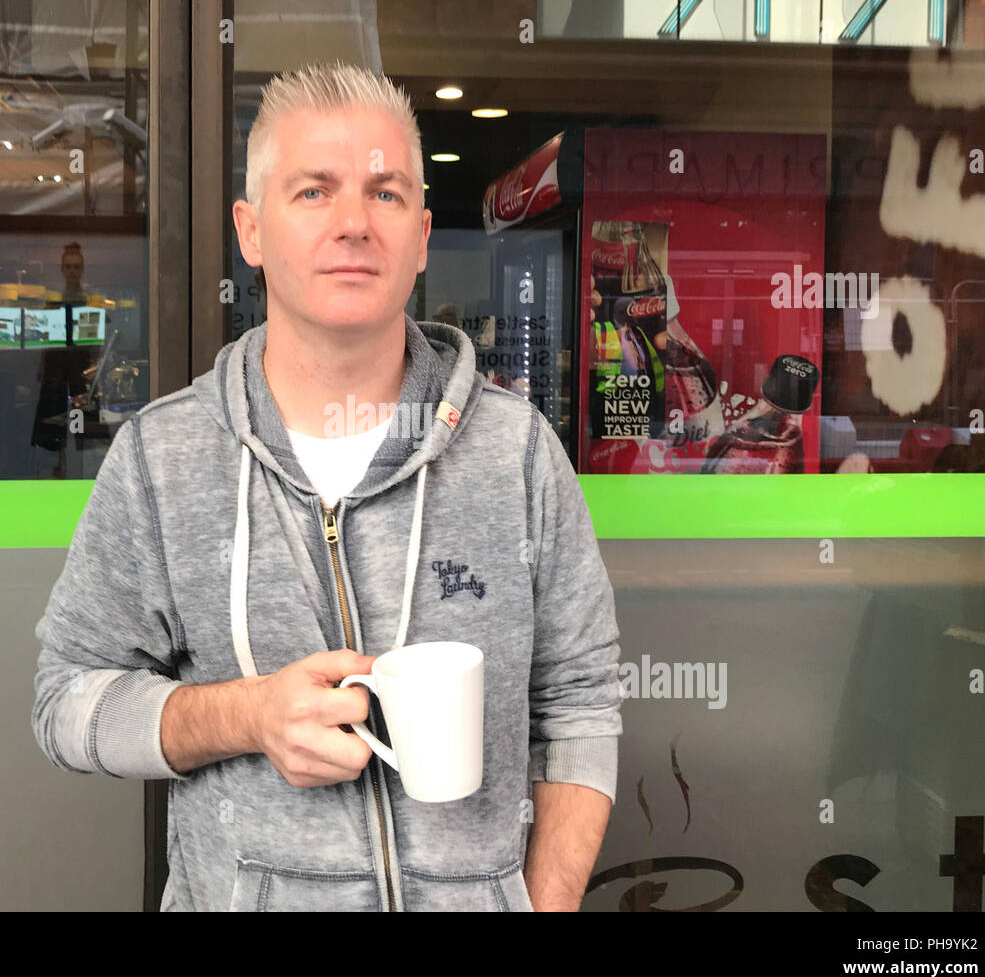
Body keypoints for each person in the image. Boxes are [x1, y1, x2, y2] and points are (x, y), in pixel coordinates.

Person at [31, 61, 624, 912]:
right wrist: (247, 716)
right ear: (251, 230)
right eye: (314, 191)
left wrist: (545, 906)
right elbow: (66, 703)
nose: (353, 223)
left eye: (384, 194)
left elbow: (579, 702)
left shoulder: (515, 451)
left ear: (422, 235)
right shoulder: (163, 458)